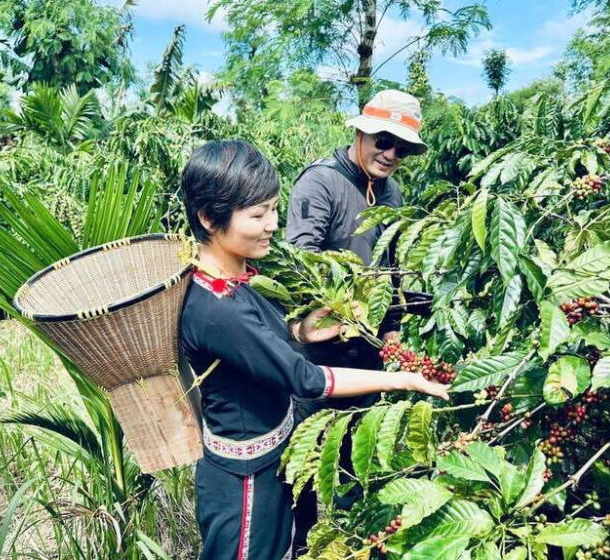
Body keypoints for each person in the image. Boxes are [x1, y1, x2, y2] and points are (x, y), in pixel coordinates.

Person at [179, 140, 448, 560]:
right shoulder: (215, 307)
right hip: (243, 484)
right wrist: (403, 378)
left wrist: (301, 331)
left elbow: (253, 346)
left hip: (269, 460)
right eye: (257, 214)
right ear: (210, 218)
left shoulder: (241, 279)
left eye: (273, 209)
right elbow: (306, 379)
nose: (272, 224)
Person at [285, 90, 429, 550]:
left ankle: (354, 545)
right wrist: (339, 312)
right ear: (360, 132)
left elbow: (389, 269)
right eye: (383, 141)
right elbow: (298, 262)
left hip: (366, 352)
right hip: (317, 350)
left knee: (358, 459)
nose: (390, 154)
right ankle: (301, 549)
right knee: (304, 465)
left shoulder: (392, 192)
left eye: (402, 148)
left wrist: (390, 331)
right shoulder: (320, 183)